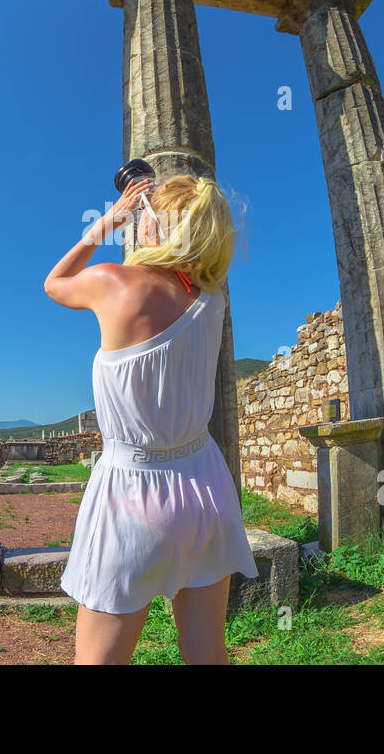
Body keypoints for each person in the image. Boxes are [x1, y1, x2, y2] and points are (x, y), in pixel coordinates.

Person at [43, 172, 258, 664]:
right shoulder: (214, 302)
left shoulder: (112, 282)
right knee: (207, 653)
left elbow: (54, 285)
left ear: (158, 225)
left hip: (132, 489)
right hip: (205, 486)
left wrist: (104, 225)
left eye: (144, 215)